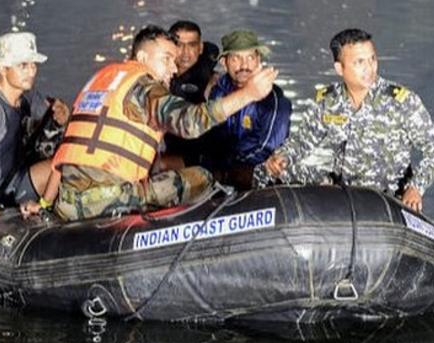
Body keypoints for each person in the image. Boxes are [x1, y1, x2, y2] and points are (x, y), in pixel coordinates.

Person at [51, 25, 277, 221]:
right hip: (106, 201)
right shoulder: (144, 87)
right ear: (142, 58)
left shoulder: (100, 82)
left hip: (69, 202)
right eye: (166, 59)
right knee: (202, 177)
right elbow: (189, 122)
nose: (174, 68)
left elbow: (66, 153)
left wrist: (45, 203)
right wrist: (248, 94)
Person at [260, 29, 434, 212]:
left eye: (372, 59)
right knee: (267, 170)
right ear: (339, 68)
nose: (369, 68)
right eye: (359, 62)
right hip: (344, 192)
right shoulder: (329, 101)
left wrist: (416, 187)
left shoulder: (402, 102)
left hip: (387, 198)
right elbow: (302, 142)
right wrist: (282, 158)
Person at [0, 32, 71, 223]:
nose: (31, 72)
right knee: (62, 168)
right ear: (2, 68)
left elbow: (49, 110)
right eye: (23, 65)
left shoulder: (25, 96)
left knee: (65, 158)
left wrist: (61, 113)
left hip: (15, 177)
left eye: (33, 65)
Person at [201, 30, 291, 190]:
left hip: (256, 176)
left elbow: (267, 148)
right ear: (224, 62)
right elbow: (211, 137)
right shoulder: (218, 91)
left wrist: (229, 169)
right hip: (217, 171)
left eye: (250, 58)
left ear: (258, 60)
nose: (244, 65)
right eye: (236, 58)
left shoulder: (273, 99)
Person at [168, 20, 218, 103]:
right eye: (179, 45)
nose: (185, 52)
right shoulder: (157, 75)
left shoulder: (213, 82)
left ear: (200, 48)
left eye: (192, 45)